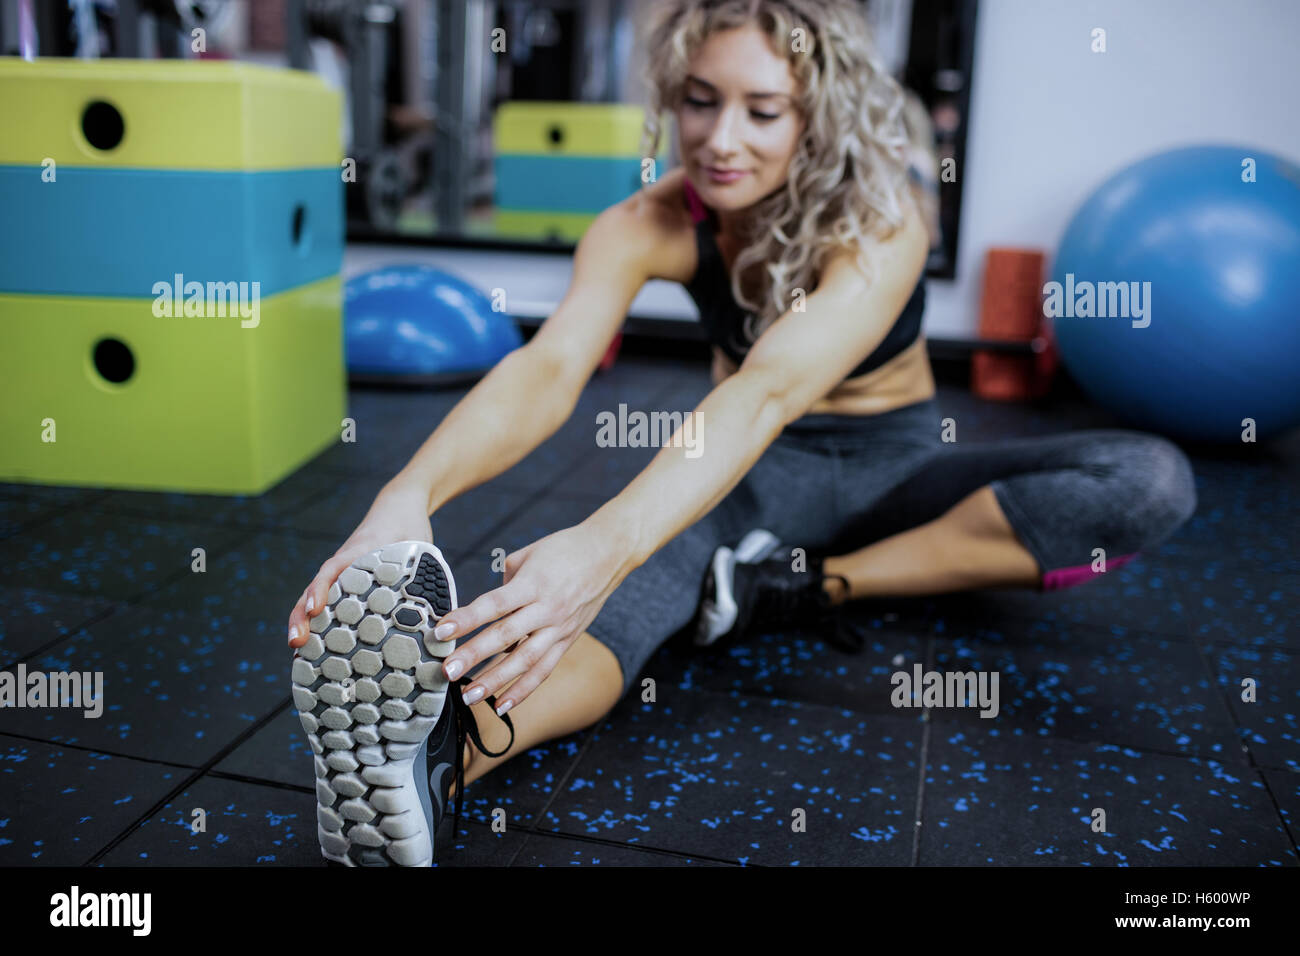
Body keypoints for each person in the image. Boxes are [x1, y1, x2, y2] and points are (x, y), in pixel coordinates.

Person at [286, 0, 1196, 866]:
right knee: (615, 609)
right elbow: (550, 367)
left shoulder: (883, 226)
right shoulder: (645, 225)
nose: (723, 140)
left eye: (764, 111)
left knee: (1147, 479)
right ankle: (446, 755)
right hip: (749, 473)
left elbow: (766, 387)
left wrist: (602, 543)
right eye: (700, 101)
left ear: (817, 115)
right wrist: (405, 494)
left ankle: (800, 590)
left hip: (896, 474)